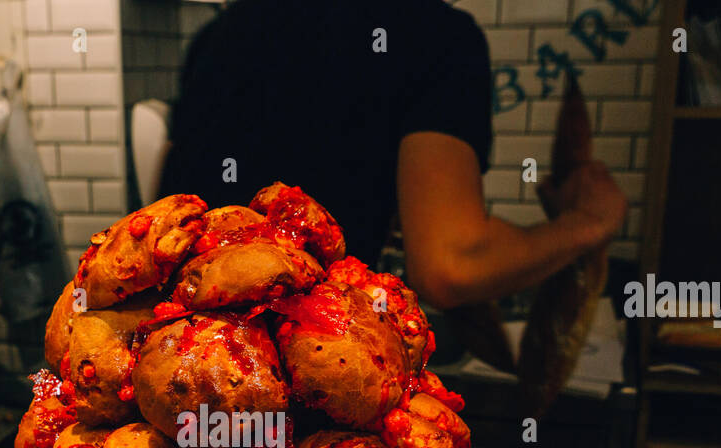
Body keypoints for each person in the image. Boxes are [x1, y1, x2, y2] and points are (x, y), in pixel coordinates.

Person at [159, 0, 627, 310]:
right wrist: (589, 222)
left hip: (171, 365)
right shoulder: (439, 37)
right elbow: (452, 267)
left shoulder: (220, 32)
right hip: (303, 375)